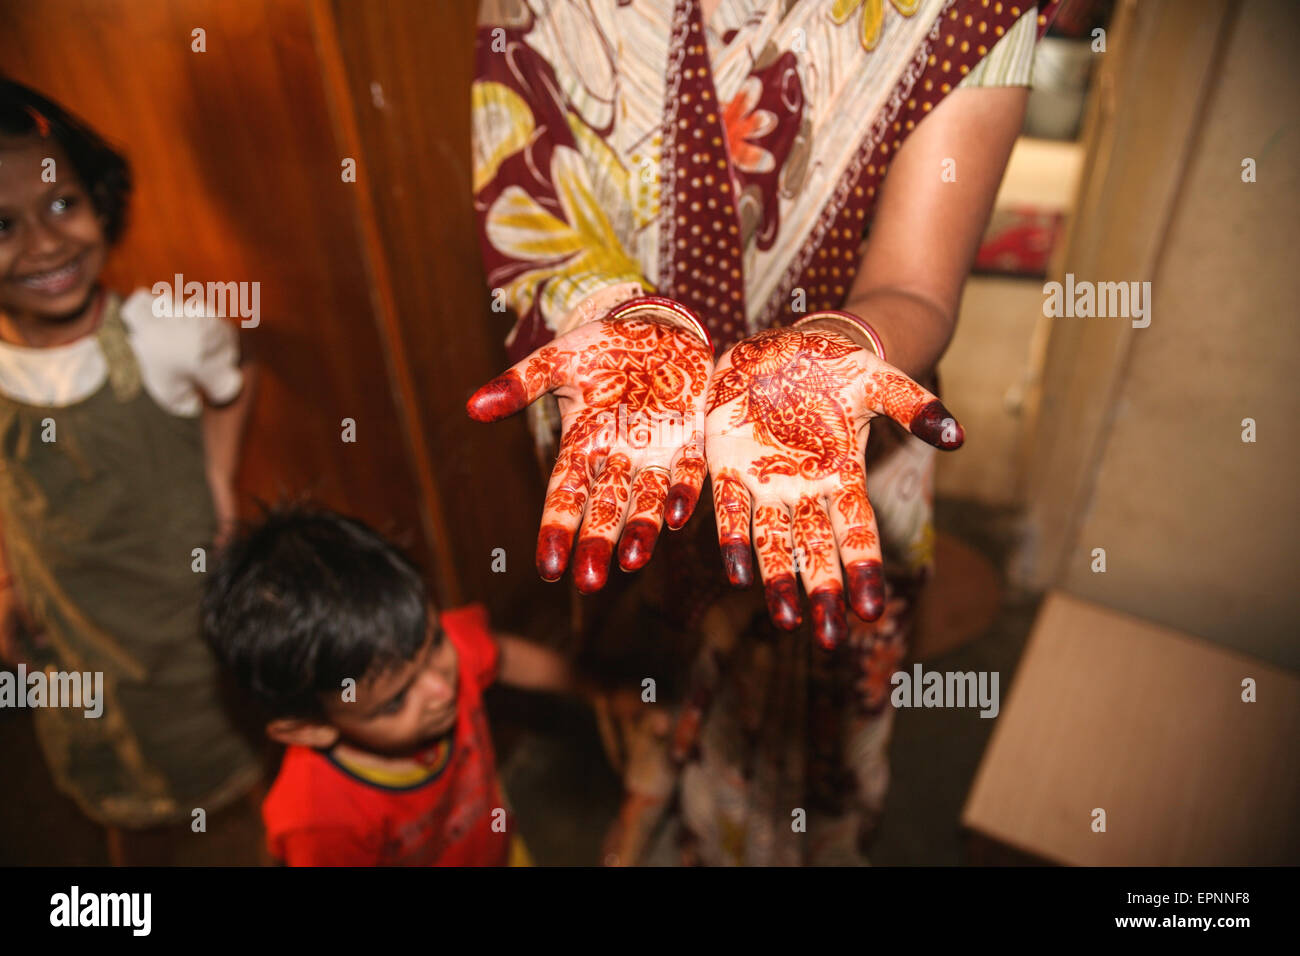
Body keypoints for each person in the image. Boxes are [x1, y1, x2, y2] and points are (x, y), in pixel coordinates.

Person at [467, 0, 1059, 864]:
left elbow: (917, 287)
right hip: (628, 433)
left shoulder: (957, 15)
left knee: (801, 756)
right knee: (652, 657)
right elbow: (535, 203)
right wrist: (619, 319)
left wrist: (827, 360)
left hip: (828, 456)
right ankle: (654, 785)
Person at [0, 78, 262, 860]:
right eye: (1, 225)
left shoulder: (170, 330)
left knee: (228, 814)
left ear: (99, 198)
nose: (46, 246)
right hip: (71, 644)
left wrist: (219, 481)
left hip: (185, 638)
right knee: (122, 808)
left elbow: (234, 378)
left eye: (62, 205)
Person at [201, 506, 573, 866]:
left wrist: (593, 687)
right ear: (310, 728)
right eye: (395, 702)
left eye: (436, 643)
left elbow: (503, 655)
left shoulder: (429, 651)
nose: (442, 690)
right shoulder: (320, 820)